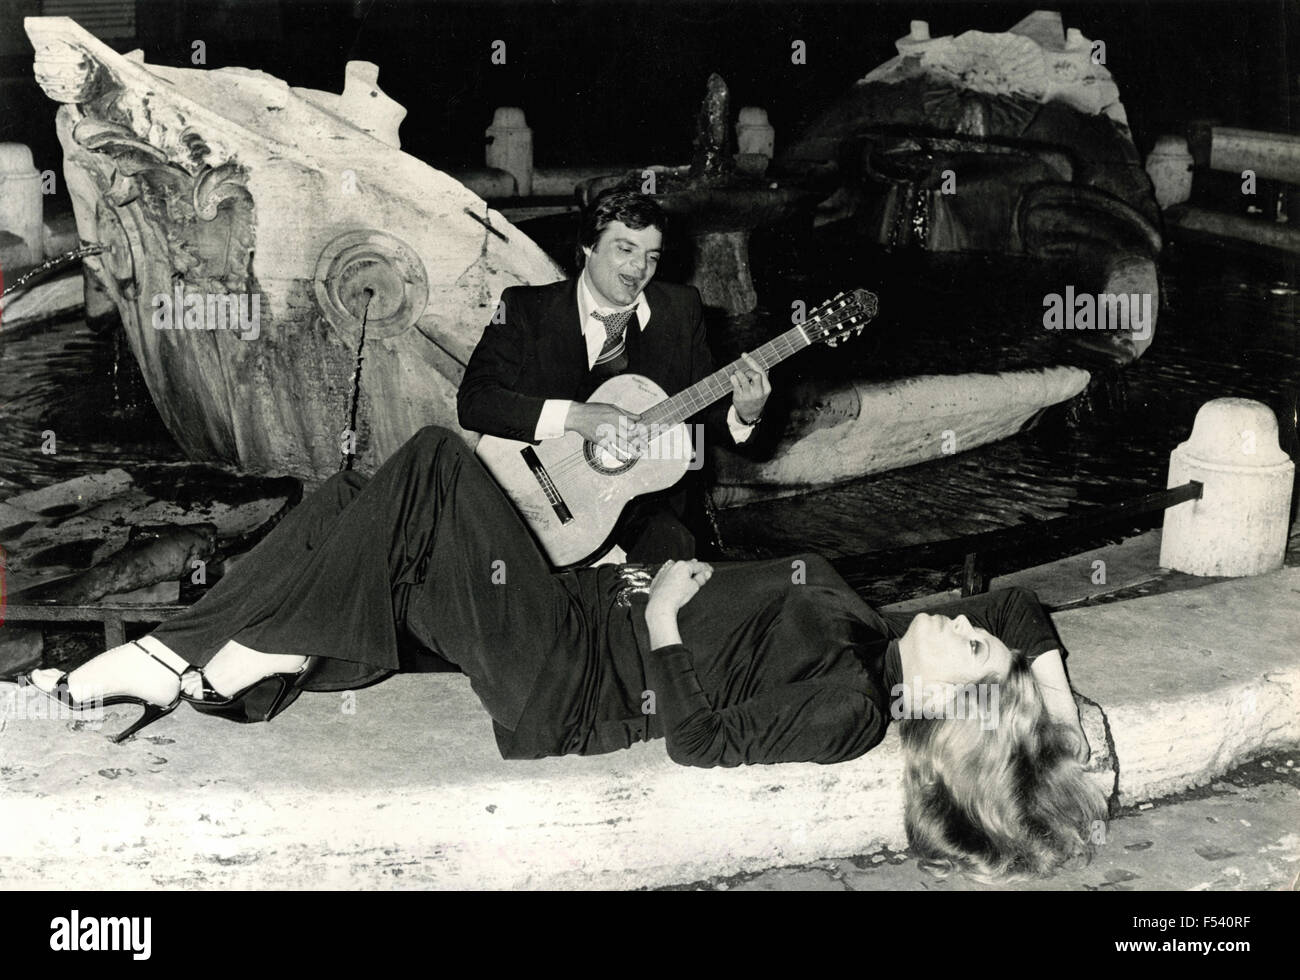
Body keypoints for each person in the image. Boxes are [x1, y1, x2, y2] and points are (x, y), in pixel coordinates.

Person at [25, 424, 1103, 880]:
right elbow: (1011, 605)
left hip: (578, 680)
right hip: (577, 614)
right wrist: (1054, 712)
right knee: (362, 498)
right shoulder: (877, 632)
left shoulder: (853, 708)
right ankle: (229, 666)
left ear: (947, 708)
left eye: (974, 656)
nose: (969, 626)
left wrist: (673, 616)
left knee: (438, 467)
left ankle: (191, 659)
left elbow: (699, 742)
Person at [457, 189, 771, 563]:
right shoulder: (524, 308)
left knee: (675, 561)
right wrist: (575, 416)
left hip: (641, 506)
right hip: (540, 500)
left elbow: (704, 409)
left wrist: (744, 413)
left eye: (651, 257)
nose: (640, 269)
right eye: (626, 249)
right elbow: (475, 402)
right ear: (589, 246)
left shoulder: (680, 309)